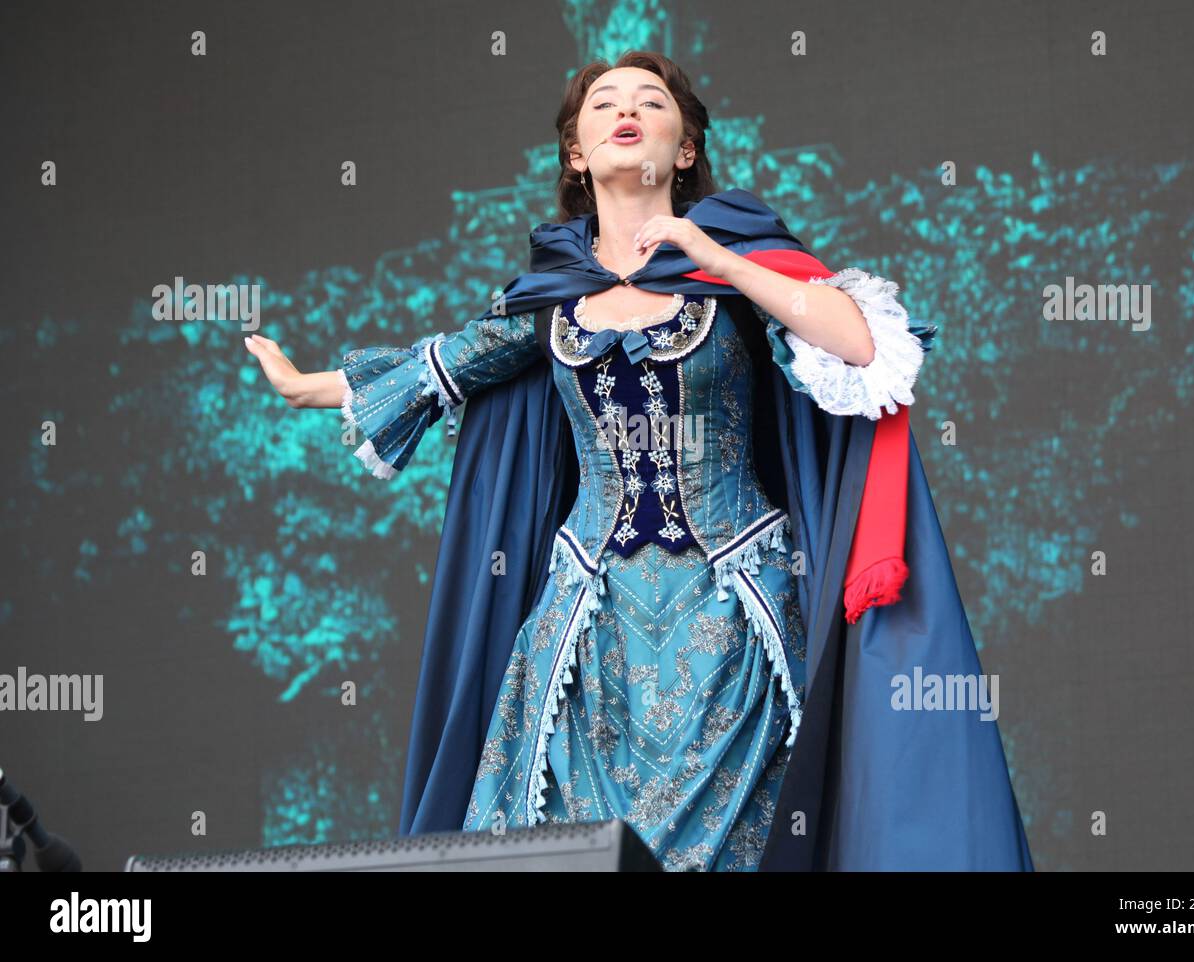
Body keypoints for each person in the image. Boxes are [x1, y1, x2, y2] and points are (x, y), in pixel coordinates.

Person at [247, 51, 1034, 873]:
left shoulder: (728, 264)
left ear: (685, 149)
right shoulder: (554, 296)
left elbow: (864, 346)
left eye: (652, 102)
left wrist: (723, 260)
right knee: (564, 852)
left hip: (731, 619)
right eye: (604, 105)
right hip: (584, 633)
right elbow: (438, 365)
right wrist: (304, 386)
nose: (628, 111)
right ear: (576, 155)